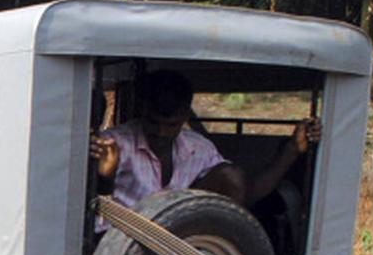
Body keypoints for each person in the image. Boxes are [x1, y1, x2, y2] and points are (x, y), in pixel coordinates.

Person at [89, 70, 320, 213]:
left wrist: (291, 151)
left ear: (184, 118)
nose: (161, 132)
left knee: (230, 175)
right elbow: (91, 208)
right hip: (123, 248)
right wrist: (104, 176)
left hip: (188, 248)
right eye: (153, 122)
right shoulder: (113, 143)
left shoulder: (198, 148)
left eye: (171, 125)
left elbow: (241, 192)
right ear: (141, 111)